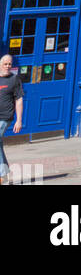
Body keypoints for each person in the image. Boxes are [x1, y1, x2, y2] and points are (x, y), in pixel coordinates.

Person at [0, 55, 23, 186]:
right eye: (5, 64)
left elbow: (19, 100)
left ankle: (2, 176)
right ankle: (4, 172)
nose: (8, 66)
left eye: (10, 64)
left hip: (5, 117)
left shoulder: (14, 79)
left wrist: (18, 120)